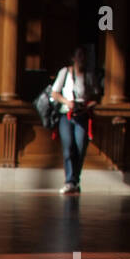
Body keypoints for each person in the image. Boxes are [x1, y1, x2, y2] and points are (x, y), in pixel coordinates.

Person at [51, 47, 98, 195]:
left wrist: (86, 105)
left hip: (82, 115)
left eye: (83, 56)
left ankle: (76, 180)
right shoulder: (65, 73)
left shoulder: (89, 76)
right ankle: (70, 181)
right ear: (73, 58)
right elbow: (55, 92)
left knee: (80, 147)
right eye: (79, 56)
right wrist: (67, 102)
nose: (81, 59)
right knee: (68, 147)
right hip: (67, 114)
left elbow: (96, 96)